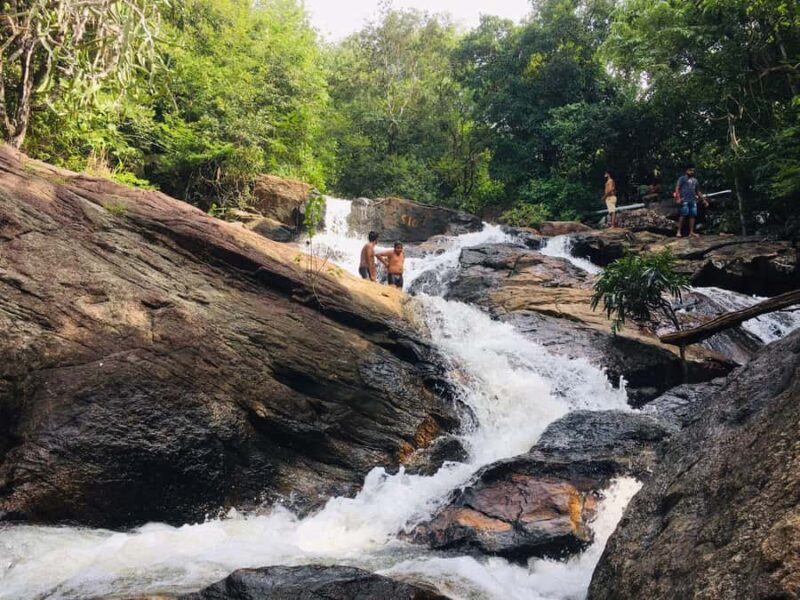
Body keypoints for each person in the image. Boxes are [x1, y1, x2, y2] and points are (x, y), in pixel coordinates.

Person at [674, 166, 708, 238]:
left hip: (693, 200)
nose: (691, 172)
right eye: (690, 170)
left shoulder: (695, 180)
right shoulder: (682, 178)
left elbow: (698, 191)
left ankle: (691, 232)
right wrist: (678, 198)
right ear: (686, 171)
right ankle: (679, 231)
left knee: (692, 216)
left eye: (692, 170)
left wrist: (703, 200)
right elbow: (677, 188)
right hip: (684, 200)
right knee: (683, 214)